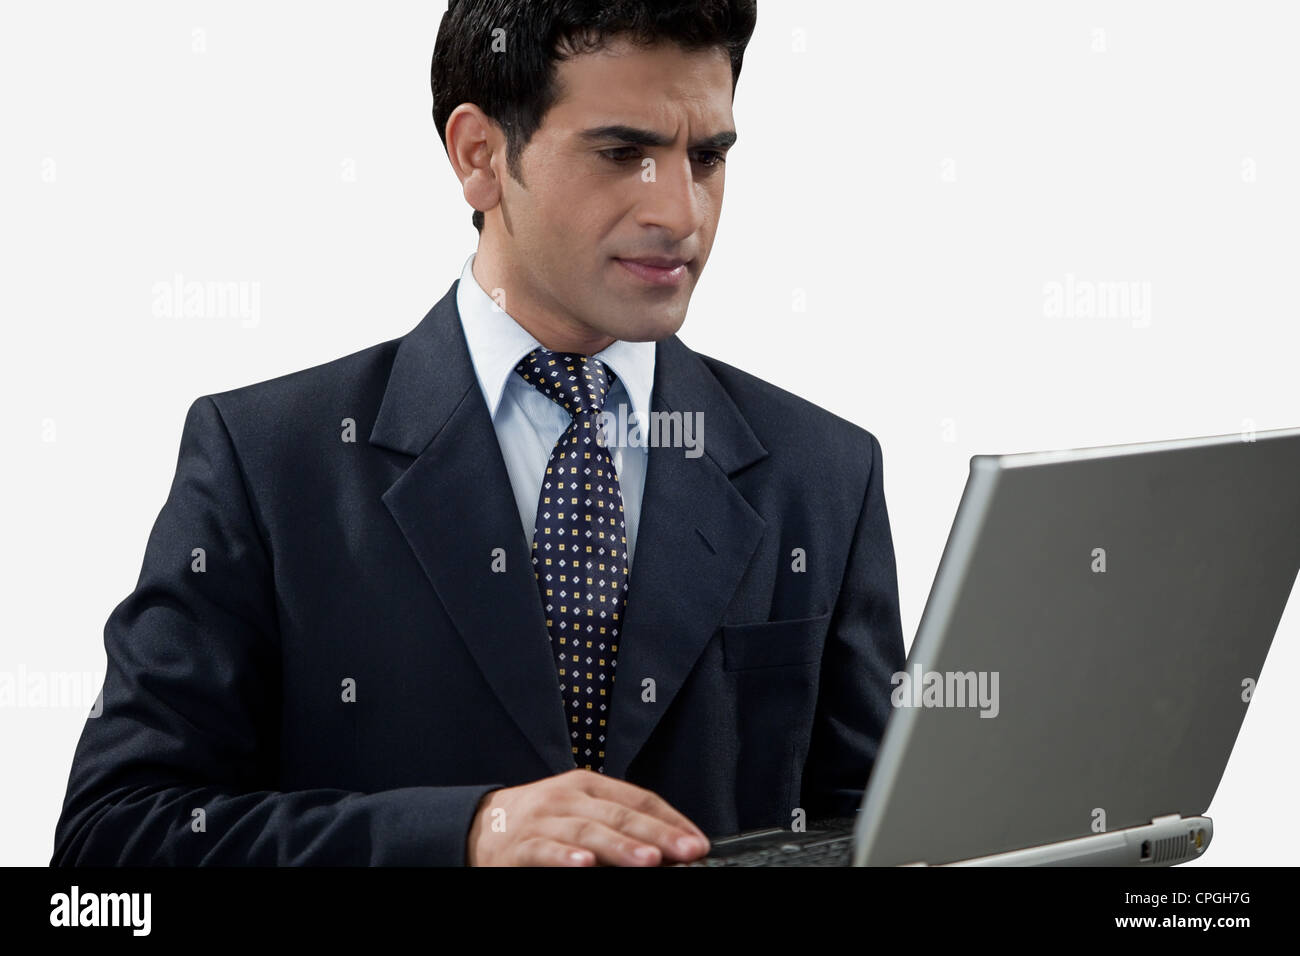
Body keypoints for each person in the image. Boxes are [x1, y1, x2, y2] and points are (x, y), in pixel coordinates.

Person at [51, 0, 905, 867]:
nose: (680, 214)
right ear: (480, 156)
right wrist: (460, 835)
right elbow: (113, 838)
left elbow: (890, 833)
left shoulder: (823, 472)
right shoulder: (267, 461)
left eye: (707, 157)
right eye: (623, 154)